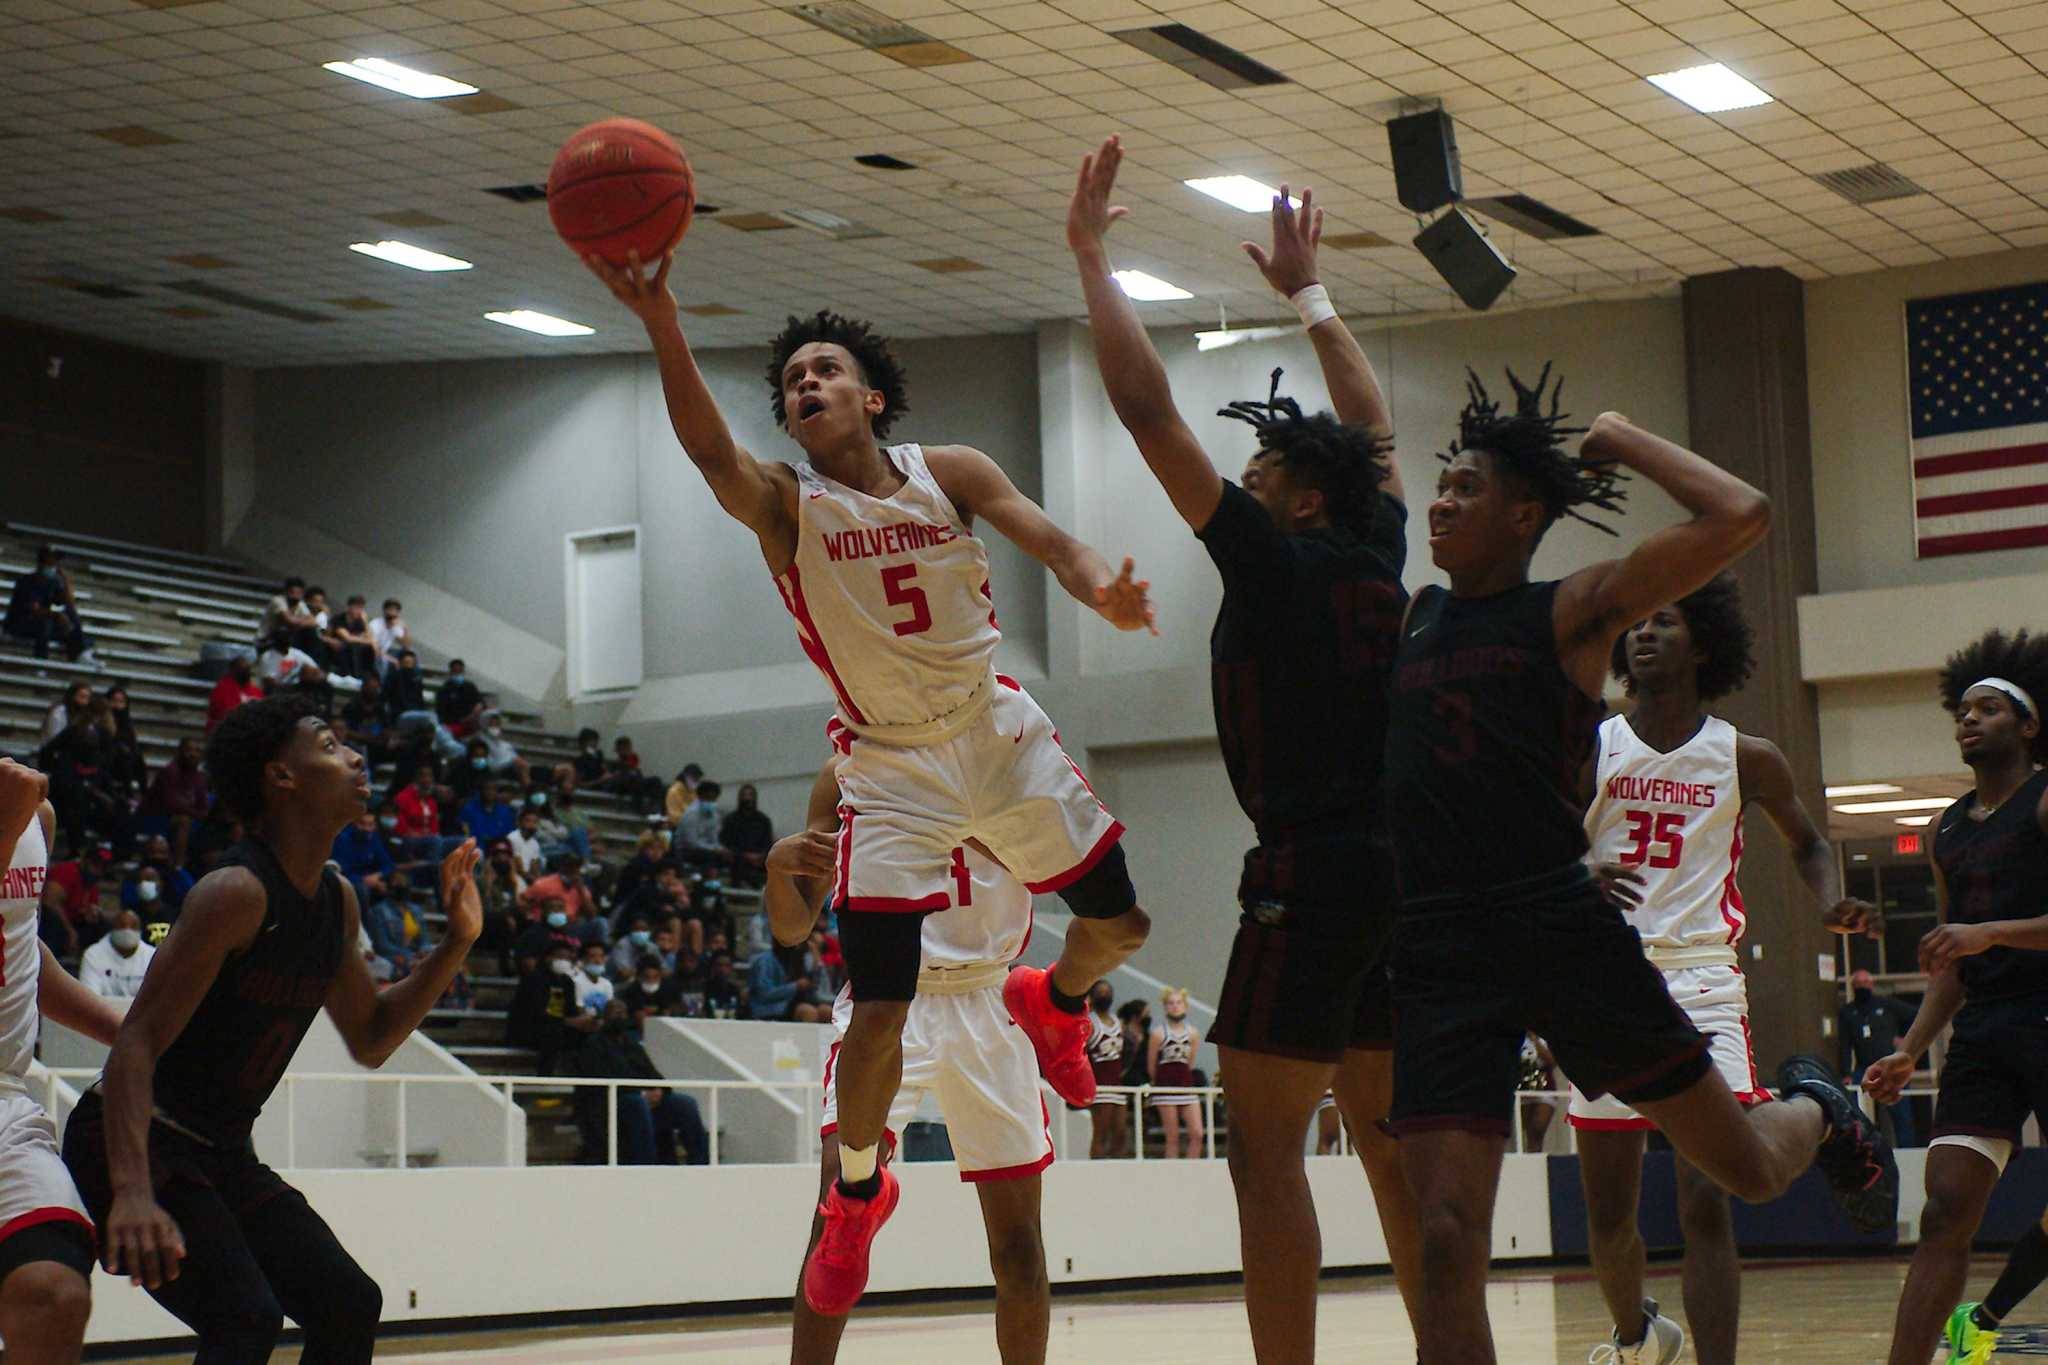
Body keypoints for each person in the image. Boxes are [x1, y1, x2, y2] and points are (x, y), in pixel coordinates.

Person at [590, 233, 1156, 1321]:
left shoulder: (951, 473)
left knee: (1121, 927)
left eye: (825, 371)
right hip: (889, 760)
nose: (805, 384)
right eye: (793, 380)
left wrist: (1102, 593)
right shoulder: (784, 504)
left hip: (993, 727)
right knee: (879, 1011)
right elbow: (711, 453)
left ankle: (1059, 1004)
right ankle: (857, 1191)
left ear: (872, 397)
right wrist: (661, 320)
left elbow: (1053, 543)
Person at [1381, 363, 1894, 1365]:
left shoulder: (1570, 612)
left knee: (1733, 1177)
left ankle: (1817, 1110)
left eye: (1467, 487)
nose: (1439, 500)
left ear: (1525, 514)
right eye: (1438, 483)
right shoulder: (1416, 620)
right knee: (1446, 1240)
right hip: (1443, 946)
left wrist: (1619, 436)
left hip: (1597, 946)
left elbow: (1738, 510)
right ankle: (1632, 1336)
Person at [1066, 137, 1424, 1353]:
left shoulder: (1271, 564)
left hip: (1308, 876)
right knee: (1384, 1149)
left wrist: (1090, 255)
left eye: (1263, 469)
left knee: (1262, 1154)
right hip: (1397, 877)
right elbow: (1372, 429)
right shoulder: (1377, 548)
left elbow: (1142, 408)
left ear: (1299, 498)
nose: (1248, 479)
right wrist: (1312, 298)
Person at [61, 696, 482, 1362]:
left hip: (222, 1151)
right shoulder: (234, 891)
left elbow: (371, 1036)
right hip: (140, 1137)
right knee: (244, 1315)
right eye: (329, 743)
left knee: (348, 1299)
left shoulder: (337, 901)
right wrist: (134, 1190)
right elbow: (135, 1043)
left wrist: (457, 941)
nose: (353, 755)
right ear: (282, 776)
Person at [1570, 572, 1884, 1364]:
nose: (1643, 632)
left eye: (1663, 620)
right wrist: (1578, 870)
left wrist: (1827, 899)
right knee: (1607, 1215)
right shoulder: (1593, 743)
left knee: (1707, 1194)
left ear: (1702, 644)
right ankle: (1639, 1334)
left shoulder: (1745, 755)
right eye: (1635, 623)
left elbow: (1810, 841)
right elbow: (1543, 835)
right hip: (1604, 978)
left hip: (1702, 977)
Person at [770, 752, 1056, 1365]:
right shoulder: (842, 773)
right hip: (889, 999)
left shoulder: (1007, 748)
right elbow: (792, 928)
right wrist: (777, 867)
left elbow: (1056, 863)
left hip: (988, 998)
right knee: (835, 1206)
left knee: (1020, 1251)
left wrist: (953, 818)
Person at [1865, 630, 2048, 1365]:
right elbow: (1951, 960)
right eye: (1962, 709)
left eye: (1989, 708)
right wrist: (1908, 1050)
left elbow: (1973, 937)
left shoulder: (2043, 802)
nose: (1968, 719)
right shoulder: (1945, 826)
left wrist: (1988, 933)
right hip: (1986, 1030)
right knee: (1944, 1205)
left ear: (2030, 725)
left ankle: (1991, 1312)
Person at [0, 760, 124, 1364]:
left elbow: (22, 944)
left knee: (54, 1294)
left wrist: (128, 1033)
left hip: (5, 1098)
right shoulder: (15, 809)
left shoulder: (32, 814)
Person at [572, 998, 708, 1165]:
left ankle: (700, 1163)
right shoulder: (594, 1045)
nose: (620, 1016)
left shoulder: (632, 1044)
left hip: (644, 1098)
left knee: (686, 1104)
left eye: (623, 1013)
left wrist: (660, 1089)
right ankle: (646, 1164)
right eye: (615, 1013)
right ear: (605, 1017)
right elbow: (600, 1081)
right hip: (613, 1101)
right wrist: (641, 1093)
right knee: (637, 1103)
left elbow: (651, 1072)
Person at [1839, 969, 1919, 1147]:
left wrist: (1906, 1040)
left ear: (1872, 985)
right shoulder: (1848, 1012)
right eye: (1858, 984)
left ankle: (1909, 1151)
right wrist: (1846, 1072)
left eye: (1866, 983)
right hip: (1863, 1068)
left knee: (1902, 1116)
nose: (1863, 987)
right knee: (1854, 1111)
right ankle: (1863, 1149)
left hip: (1890, 1067)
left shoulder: (1886, 1005)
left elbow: (1916, 1015)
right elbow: (1844, 1044)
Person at [506, 936, 597, 1075]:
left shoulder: (567, 982)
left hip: (559, 1025)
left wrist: (584, 1020)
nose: (564, 961)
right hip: (530, 1028)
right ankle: (545, 1076)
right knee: (553, 1033)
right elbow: (535, 1013)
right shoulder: (534, 979)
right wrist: (567, 1021)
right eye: (560, 957)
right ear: (548, 958)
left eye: (568, 959)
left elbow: (571, 1011)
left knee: (590, 1035)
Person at [5, 544, 92, 662]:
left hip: (42, 626)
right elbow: (34, 610)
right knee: (46, 622)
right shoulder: (27, 581)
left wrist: (65, 580)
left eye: (56, 561)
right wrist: (57, 616)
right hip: (19, 624)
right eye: (52, 560)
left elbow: (69, 602)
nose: (54, 564)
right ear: (42, 562)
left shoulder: (53, 583)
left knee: (74, 622)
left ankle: (81, 656)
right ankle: (41, 664)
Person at [1147, 988, 1204, 1159]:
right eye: (1171, 1003)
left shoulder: (1193, 1033)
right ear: (1165, 1007)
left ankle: (1191, 1169)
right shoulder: (1158, 1033)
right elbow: (1151, 1064)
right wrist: (1158, 1085)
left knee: (1197, 1134)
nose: (1175, 1006)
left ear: (1185, 1006)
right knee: (1172, 1138)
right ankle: (1171, 1172)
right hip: (1165, 1088)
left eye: (1179, 1003)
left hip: (1186, 1087)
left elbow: (1190, 1062)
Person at [138, 737, 209, 868]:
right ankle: (178, 867)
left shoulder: (200, 777)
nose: (193, 754)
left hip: (180, 818)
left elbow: (204, 808)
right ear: (180, 752)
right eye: (189, 750)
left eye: (197, 751)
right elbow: (171, 805)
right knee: (184, 821)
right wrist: (195, 812)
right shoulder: (169, 772)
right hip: (154, 818)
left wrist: (195, 812)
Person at [1084, 981, 1128, 1159]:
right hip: (1100, 1086)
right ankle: (1096, 1166)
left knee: (1121, 1132)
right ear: (1092, 996)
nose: (1105, 995)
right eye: (1101, 992)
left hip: (1117, 1085)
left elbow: (1125, 1054)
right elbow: (1082, 1052)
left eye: (1108, 992)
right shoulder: (1089, 1022)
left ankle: (1117, 1167)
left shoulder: (1119, 1023)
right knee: (1100, 1132)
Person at [80, 908, 156, 998]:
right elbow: (90, 999)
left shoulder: (152, 956)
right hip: (102, 1011)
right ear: (113, 929)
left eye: (133, 926)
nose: (127, 931)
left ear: (140, 931)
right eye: (122, 926)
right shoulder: (93, 955)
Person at [721, 783, 774, 886]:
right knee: (736, 861)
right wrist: (746, 855)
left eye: (750, 795)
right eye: (745, 795)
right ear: (740, 798)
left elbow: (768, 842)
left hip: (760, 858)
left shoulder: (763, 820)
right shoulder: (731, 819)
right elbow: (727, 842)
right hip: (739, 857)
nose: (748, 798)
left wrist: (761, 856)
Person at [672, 780, 729, 873]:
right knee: (710, 856)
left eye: (713, 798)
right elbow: (691, 843)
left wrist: (720, 849)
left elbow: (713, 838)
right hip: (685, 849)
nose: (711, 801)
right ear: (700, 797)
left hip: (705, 847)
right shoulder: (691, 813)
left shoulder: (714, 814)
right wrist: (714, 850)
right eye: (708, 798)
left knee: (728, 855)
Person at [205, 654, 264, 733]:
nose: (245, 673)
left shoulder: (256, 692)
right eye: (241, 669)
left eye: (247, 669)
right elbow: (222, 714)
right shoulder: (221, 689)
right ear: (232, 670)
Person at [329, 596, 380, 681]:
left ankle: (368, 678)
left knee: (369, 648)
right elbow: (347, 638)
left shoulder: (360, 621)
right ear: (349, 607)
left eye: (361, 608)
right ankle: (355, 677)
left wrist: (365, 622)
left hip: (354, 647)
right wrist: (368, 641)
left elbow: (369, 636)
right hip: (338, 646)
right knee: (355, 646)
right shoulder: (339, 618)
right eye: (356, 607)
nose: (359, 611)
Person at [435, 658, 484, 742]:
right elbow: (441, 712)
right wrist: (461, 720)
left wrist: (475, 711)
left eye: (460, 671)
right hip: (453, 724)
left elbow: (480, 702)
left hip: (471, 722)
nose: (457, 674)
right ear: (450, 672)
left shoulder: (470, 686)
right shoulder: (444, 689)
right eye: (455, 671)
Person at [478, 712, 531, 788]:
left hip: (513, 769)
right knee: (521, 767)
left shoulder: (504, 744)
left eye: (497, 724)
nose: (495, 727)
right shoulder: (481, 742)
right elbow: (490, 766)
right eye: (492, 724)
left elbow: (515, 757)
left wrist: (517, 761)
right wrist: (510, 762)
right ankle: (529, 789)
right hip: (496, 772)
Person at [459, 777, 517, 845]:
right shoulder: (469, 810)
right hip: (477, 848)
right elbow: (466, 833)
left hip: (499, 849)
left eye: (493, 789)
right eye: (487, 789)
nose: (490, 792)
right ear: (480, 791)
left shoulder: (505, 811)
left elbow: (510, 833)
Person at [369, 598, 409, 678]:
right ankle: (381, 686)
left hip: (385, 652)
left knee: (411, 655)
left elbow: (405, 645)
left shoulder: (395, 627)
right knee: (383, 661)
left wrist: (405, 629)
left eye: (395, 610)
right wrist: (392, 659)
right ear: (384, 611)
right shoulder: (375, 624)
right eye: (390, 609)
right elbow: (375, 649)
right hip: (372, 653)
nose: (392, 613)